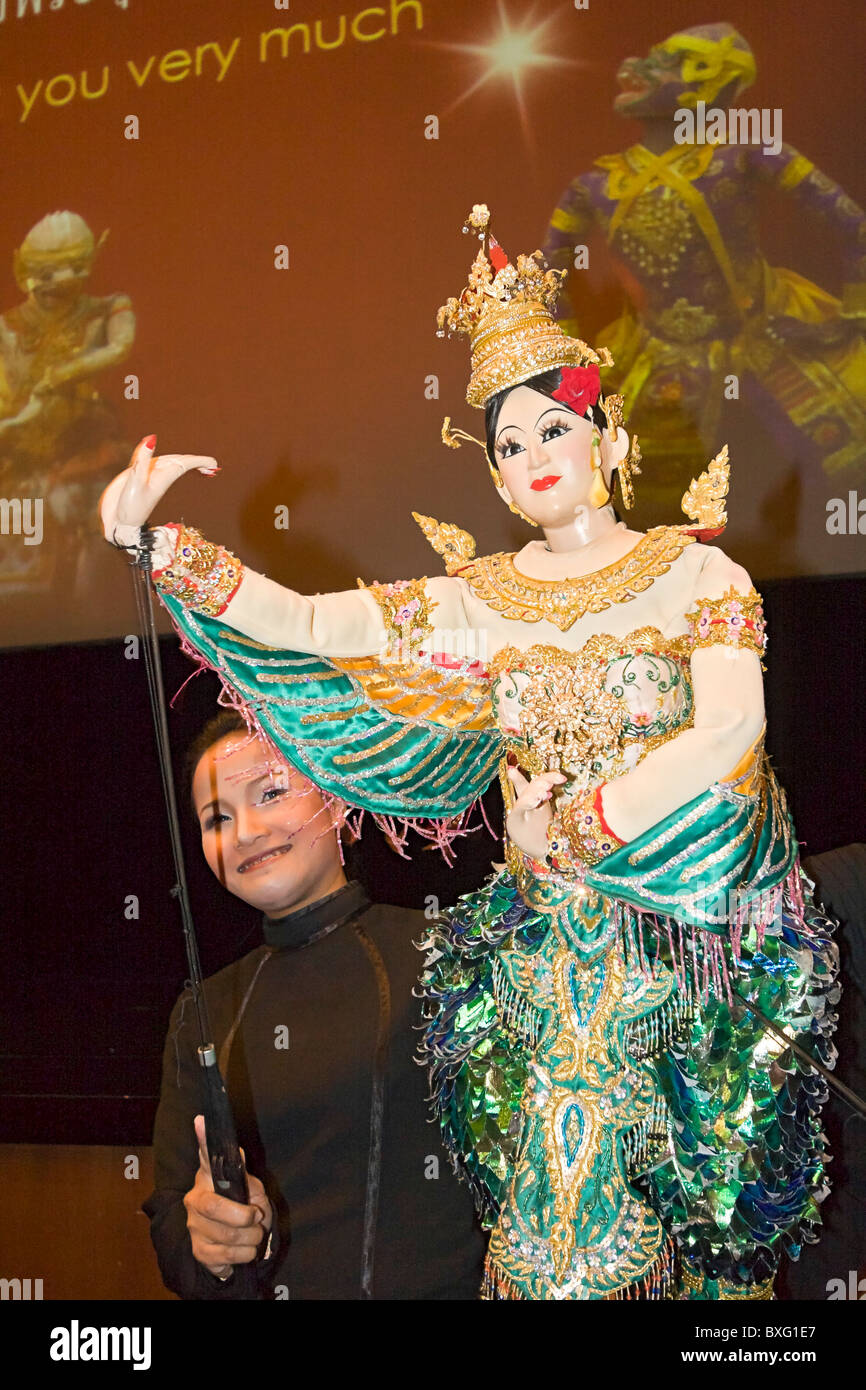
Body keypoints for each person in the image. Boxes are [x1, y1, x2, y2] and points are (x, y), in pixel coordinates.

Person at [104, 204, 838, 1300]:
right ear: (492, 476)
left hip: (685, 942)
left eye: (552, 428)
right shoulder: (481, 603)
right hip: (546, 967)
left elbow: (729, 729)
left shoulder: (696, 577)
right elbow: (310, 624)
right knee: (553, 1237)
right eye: (508, 442)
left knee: (699, 1237)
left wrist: (589, 823)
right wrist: (162, 546)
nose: (533, 455)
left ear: (608, 438)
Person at [142, 709, 487, 1299]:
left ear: (338, 801)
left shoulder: (453, 954)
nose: (244, 831)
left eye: (271, 792)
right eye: (216, 817)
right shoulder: (205, 1008)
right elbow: (173, 1229)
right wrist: (217, 1240)